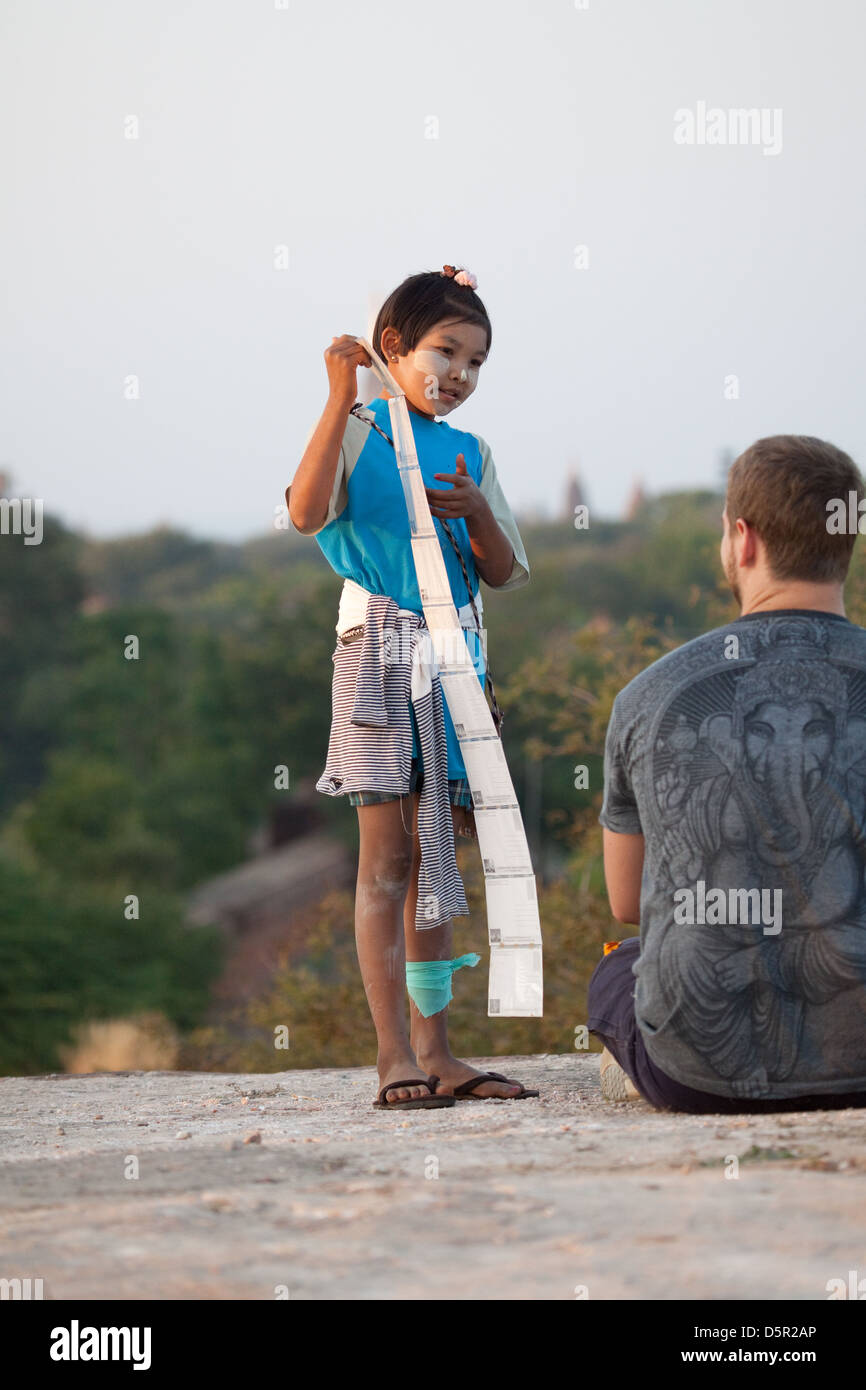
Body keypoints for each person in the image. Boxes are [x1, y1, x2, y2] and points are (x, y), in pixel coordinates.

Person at [287, 265, 538, 1109]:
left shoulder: (473, 454)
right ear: (392, 348)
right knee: (388, 857)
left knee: (438, 857)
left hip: (457, 656)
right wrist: (337, 394)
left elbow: (502, 574)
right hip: (377, 650)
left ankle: (441, 1052)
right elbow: (305, 509)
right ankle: (392, 1053)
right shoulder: (358, 431)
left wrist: (475, 511)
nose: (460, 376)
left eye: (477, 362)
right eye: (445, 352)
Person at [590, 434, 866, 1112]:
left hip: (694, 1077)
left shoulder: (652, 694)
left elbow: (627, 903)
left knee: (618, 964)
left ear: (743, 540)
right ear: (847, 544)